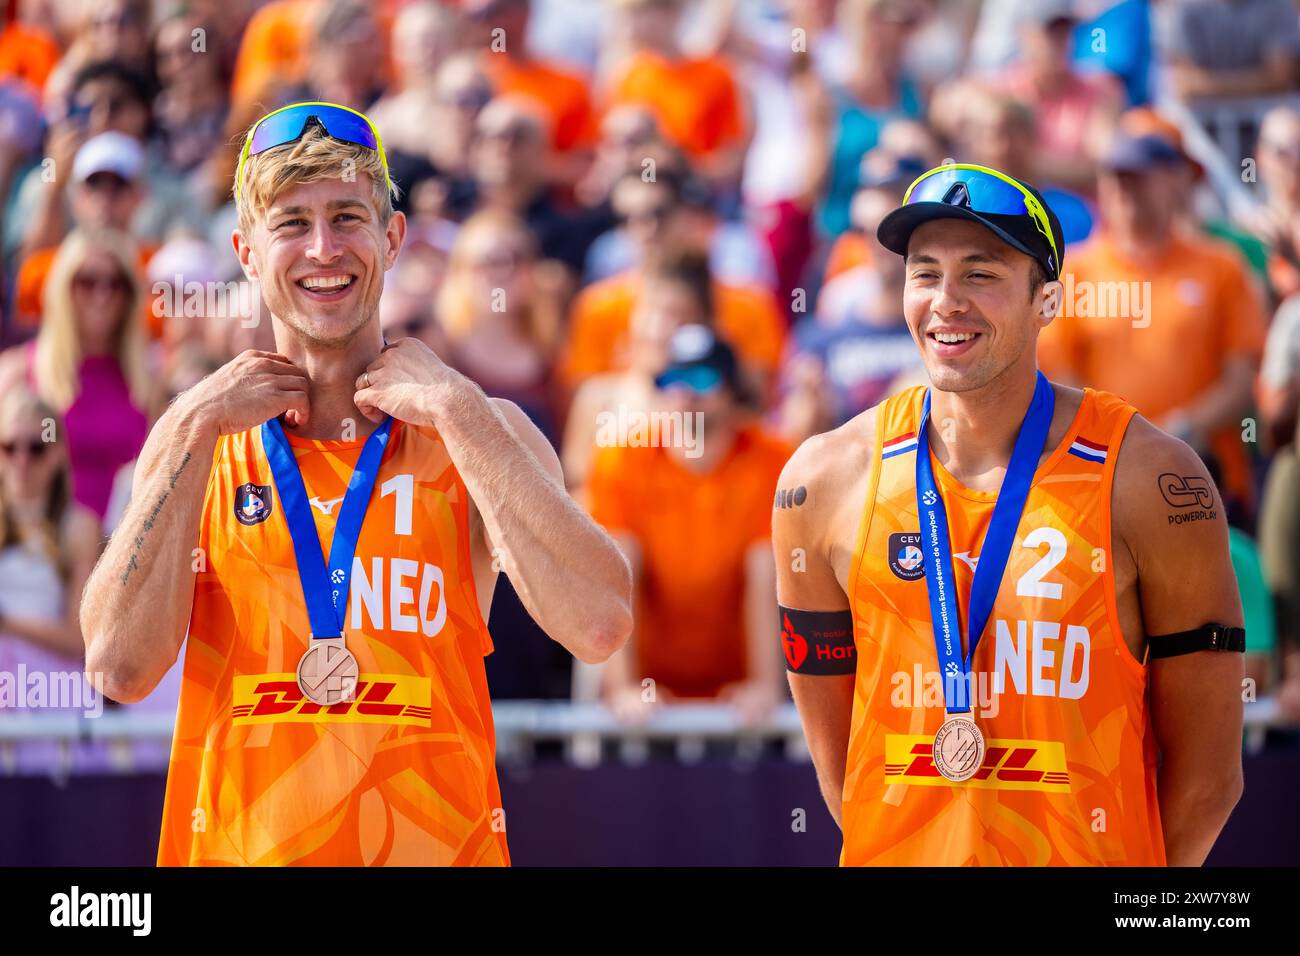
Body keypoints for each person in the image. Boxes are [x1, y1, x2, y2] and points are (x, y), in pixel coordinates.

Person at [79, 103, 633, 866]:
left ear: (393, 237)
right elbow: (117, 668)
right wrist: (188, 426)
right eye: (291, 224)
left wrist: (456, 409)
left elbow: (599, 623)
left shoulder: (475, 428)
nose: (323, 248)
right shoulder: (199, 442)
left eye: (347, 216)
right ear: (244, 250)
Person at [775, 162, 1245, 865]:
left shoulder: (1152, 478)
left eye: (982, 274)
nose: (946, 302)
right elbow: (841, 771)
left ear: (1048, 299)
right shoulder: (822, 481)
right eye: (925, 272)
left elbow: (1208, 782)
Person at [1037, 125, 1268, 519]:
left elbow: (1244, 378)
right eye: (1114, 177)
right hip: (1101, 477)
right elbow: (1058, 373)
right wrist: (1115, 436)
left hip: (1204, 475)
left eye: (1138, 178)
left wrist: (1181, 428)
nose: (1125, 190)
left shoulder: (1221, 266)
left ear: (1172, 183)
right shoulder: (1073, 272)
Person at [588, 325, 789, 723]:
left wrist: (765, 688)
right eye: (672, 380)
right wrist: (627, 688)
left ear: (733, 393)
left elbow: (767, 572)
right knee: (614, 553)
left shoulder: (773, 458)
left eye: (702, 378)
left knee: (772, 559)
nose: (685, 393)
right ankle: (611, 707)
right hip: (650, 684)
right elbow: (611, 570)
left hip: (741, 688)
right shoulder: (623, 459)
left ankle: (770, 693)